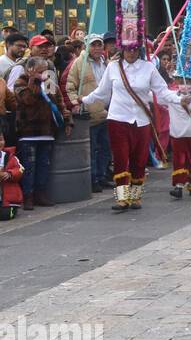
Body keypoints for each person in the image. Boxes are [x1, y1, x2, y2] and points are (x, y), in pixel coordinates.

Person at [81, 43, 183, 212]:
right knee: (121, 158)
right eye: (128, 49)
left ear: (139, 50)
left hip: (141, 120)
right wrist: (83, 100)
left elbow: (162, 92)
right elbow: (102, 91)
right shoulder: (113, 67)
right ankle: (121, 198)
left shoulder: (148, 68)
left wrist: (179, 99)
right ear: (122, 49)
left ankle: (135, 196)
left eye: (134, 49)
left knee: (140, 159)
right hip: (118, 118)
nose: (131, 52)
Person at [13, 58, 71, 210]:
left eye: (45, 69)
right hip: (28, 132)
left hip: (47, 131)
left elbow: (60, 104)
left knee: (44, 165)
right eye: (40, 70)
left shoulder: (50, 83)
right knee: (29, 166)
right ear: (30, 69)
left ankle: (40, 193)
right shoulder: (21, 82)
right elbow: (28, 99)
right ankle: (28, 195)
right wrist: (34, 81)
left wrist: (67, 120)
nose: (44, 73)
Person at [65, 33, 112, 192]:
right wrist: (75, 104)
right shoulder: (79, 63)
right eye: (94, 45)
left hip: (106, 112)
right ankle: (93, 179)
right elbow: (70, 86)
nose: (97, 48)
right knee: (92, 149)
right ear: (86, 46)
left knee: (105, 148)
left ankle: (102, 175)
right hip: (89, 113)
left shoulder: (105, 62)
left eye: (99, 45)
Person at [0, 139, 23, 221]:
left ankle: (11, 210)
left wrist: (10, 174)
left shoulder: (10, 156)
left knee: (5, 215)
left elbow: (20, 169)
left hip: (7, 200)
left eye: (1, 140)